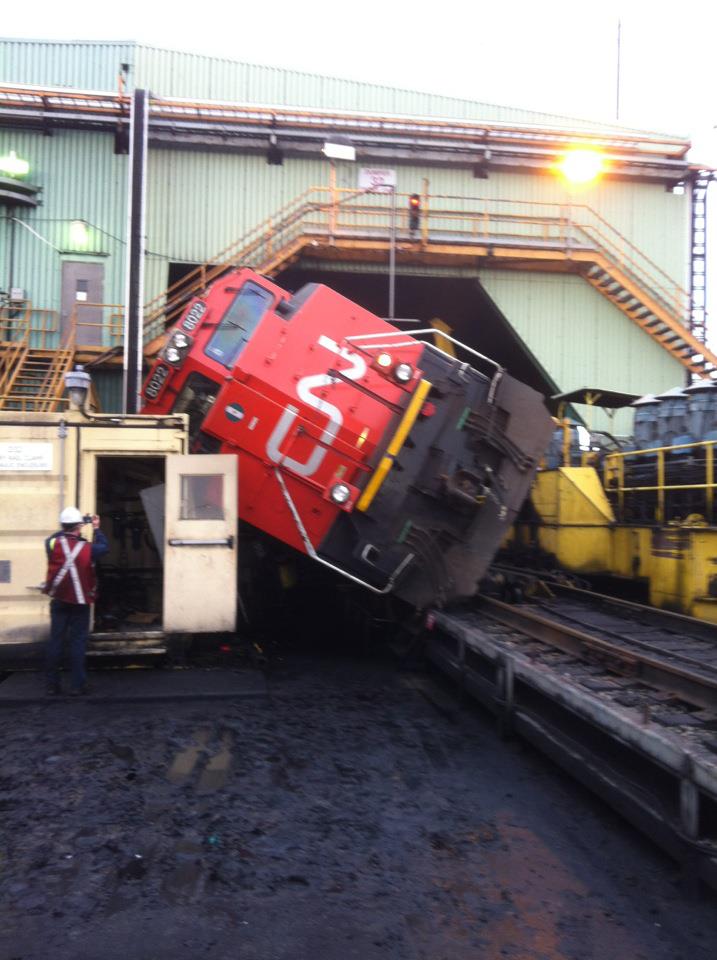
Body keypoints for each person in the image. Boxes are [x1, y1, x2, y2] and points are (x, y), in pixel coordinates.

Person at [43, 507, 109, 696]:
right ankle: (77, 686)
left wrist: (67, 527)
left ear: (63, 525)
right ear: (79, 526)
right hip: (80, 601)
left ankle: (52, 685)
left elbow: (50, 539)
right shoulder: (89, 549)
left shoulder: (52, 544)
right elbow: (105, 547)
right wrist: (96, 528)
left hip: (59, 599)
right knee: (77, 643)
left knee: (56, 641)